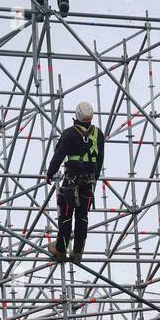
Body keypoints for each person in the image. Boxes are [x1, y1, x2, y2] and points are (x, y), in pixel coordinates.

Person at [45, 101, 103, 263]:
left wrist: (50, 173)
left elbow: (58, 156)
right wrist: (94, 178)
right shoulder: (98, 134)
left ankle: (61, 249)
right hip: (89, 181)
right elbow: (100, 159)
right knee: (82, 216)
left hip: (72, 181)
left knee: (66, 215)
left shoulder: (70, 133)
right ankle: (77, 252)